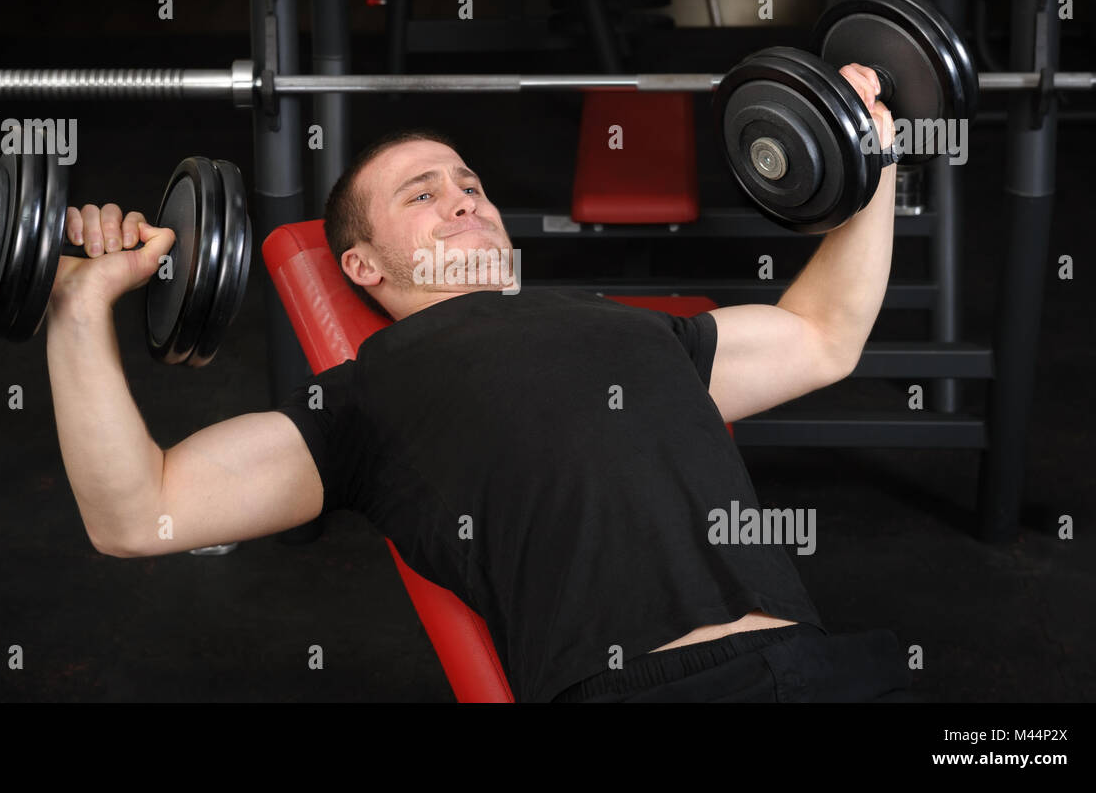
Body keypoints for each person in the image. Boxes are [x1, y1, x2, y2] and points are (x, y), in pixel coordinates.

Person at [46, 64, 913, 703]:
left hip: (828, 669)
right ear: (359, 262)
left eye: (470, 183)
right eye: (421, 195)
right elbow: (137, 512)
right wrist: (81, 309)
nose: (465, 200)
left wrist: (871, 159)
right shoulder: (364, 402)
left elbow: (822, 336)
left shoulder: (640, 329)